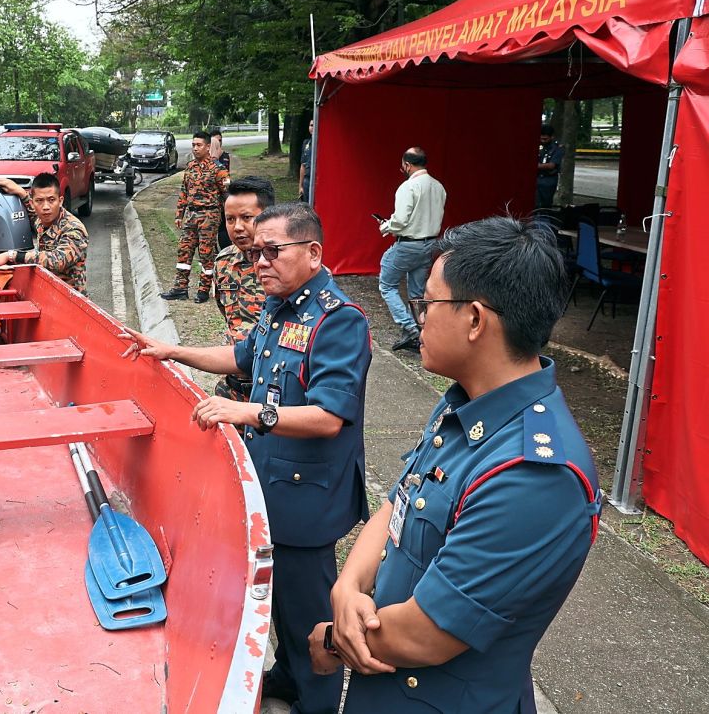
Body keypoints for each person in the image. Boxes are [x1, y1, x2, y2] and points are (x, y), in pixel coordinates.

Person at [310, 216, 601, 714]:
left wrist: (332, 642)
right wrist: (347, 585)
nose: (419, 316)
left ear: (475, 320)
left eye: (427, 302)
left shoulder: (532, 474)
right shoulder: (467, 405)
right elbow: (399, 503)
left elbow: (427, 635)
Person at [122, 202, 371, 714]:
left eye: (273, 252)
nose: (260, 263)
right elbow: (241, 357)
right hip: (271, 485)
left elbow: (329, 415)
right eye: (257, 253)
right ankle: (288, 674)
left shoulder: (338, 322)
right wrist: (172, 352)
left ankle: (318, 701)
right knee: (278, 599)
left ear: (312, 252)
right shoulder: (279, 307)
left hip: (306, 498)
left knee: (308, 611)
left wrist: (248, 412)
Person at [378, 147, 446, 352]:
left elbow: (400, 220)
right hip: (430, 243)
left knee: (387, 285)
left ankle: (409, 329)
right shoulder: (438, 186)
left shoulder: (408, 187)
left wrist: (385, 226)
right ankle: (422, 329)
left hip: (409, 244)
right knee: (416, 292)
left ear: (407, 164)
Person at [212, 175, 274, 402]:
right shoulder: (224, 262)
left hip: (274, 394)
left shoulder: (291, 267)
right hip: (232, 390)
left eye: (247, 217)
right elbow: (227, 315)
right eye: (230, 219)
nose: (237, 227)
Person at [0, 173, 88, 293]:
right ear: (33, 203)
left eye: (51, 200)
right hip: (46, 290)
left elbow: (58, 260)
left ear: (60, 201)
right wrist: (20, 192)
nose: (46, 207)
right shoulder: (41, 219)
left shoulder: (74, 229)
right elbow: (34, 215)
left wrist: (10, 255)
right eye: (39, 201)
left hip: (71, 299)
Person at [160, 131, 229, 303]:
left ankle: (204, 290)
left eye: (199, 145)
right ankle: (180, 288)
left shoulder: (218, 169)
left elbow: (228, 194)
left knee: (206, 253)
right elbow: (184, 191)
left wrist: (228, 217)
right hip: (191, 215)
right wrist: (179, 214)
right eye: (193, 145)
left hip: (209, 215)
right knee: (184, 250)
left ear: (207, 147)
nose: (195, 148)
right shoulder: (190, 167)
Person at [536, 122, 564, 208]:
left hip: (548, 180)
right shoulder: (539, 147)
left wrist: (537, 166)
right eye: (541, 139)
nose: (543, 141)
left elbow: (552, 165)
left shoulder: (557, 149)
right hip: (537, 178)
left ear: (552, 137)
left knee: (545, 204)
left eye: (545, 139)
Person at [299, 120, 314, 202]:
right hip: (307, 180)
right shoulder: (306, 143)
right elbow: (302, 165)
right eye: (311, 125)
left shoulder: (323, 143)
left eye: (314, 125)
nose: (312, 128)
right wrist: (300, 186)